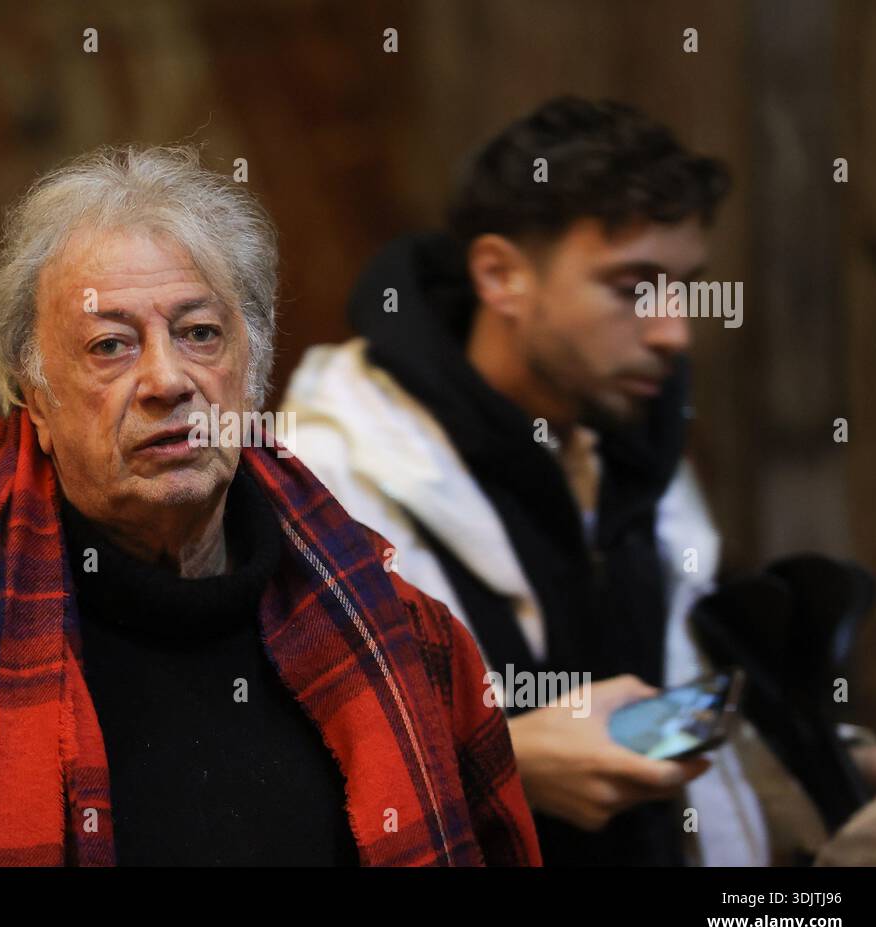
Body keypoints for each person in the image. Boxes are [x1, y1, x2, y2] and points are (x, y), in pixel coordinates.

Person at [0, 145, 540, 867]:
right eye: (110, 344)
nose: (167, 380)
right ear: (31, 396)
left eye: (201, 333)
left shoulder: (413, 642)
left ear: (253, 371)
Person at [281, 97, 784, 865]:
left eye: (685, 286)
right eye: (632, 287)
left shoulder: (636, 447)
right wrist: (502, 765)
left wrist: (821, 770)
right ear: (501, 275)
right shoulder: (327, 475)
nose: (674, 331)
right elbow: (270, 785)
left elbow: (688, 721)